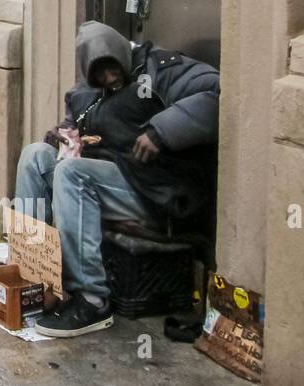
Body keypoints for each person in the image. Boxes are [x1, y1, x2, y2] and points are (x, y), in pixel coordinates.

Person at [14, 20, 220, 338]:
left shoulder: (163, 69)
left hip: (156, 192)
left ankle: (92, 300)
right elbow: (76, 122)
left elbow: (219, 93)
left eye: (113, 68)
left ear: (122, 53)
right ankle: (34, 276)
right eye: (100, 73)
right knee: (35, 156)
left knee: (72, 174)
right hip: (109, 184)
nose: (110, 77)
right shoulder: (88, 91)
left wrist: (162, 130)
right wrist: (64, 136)